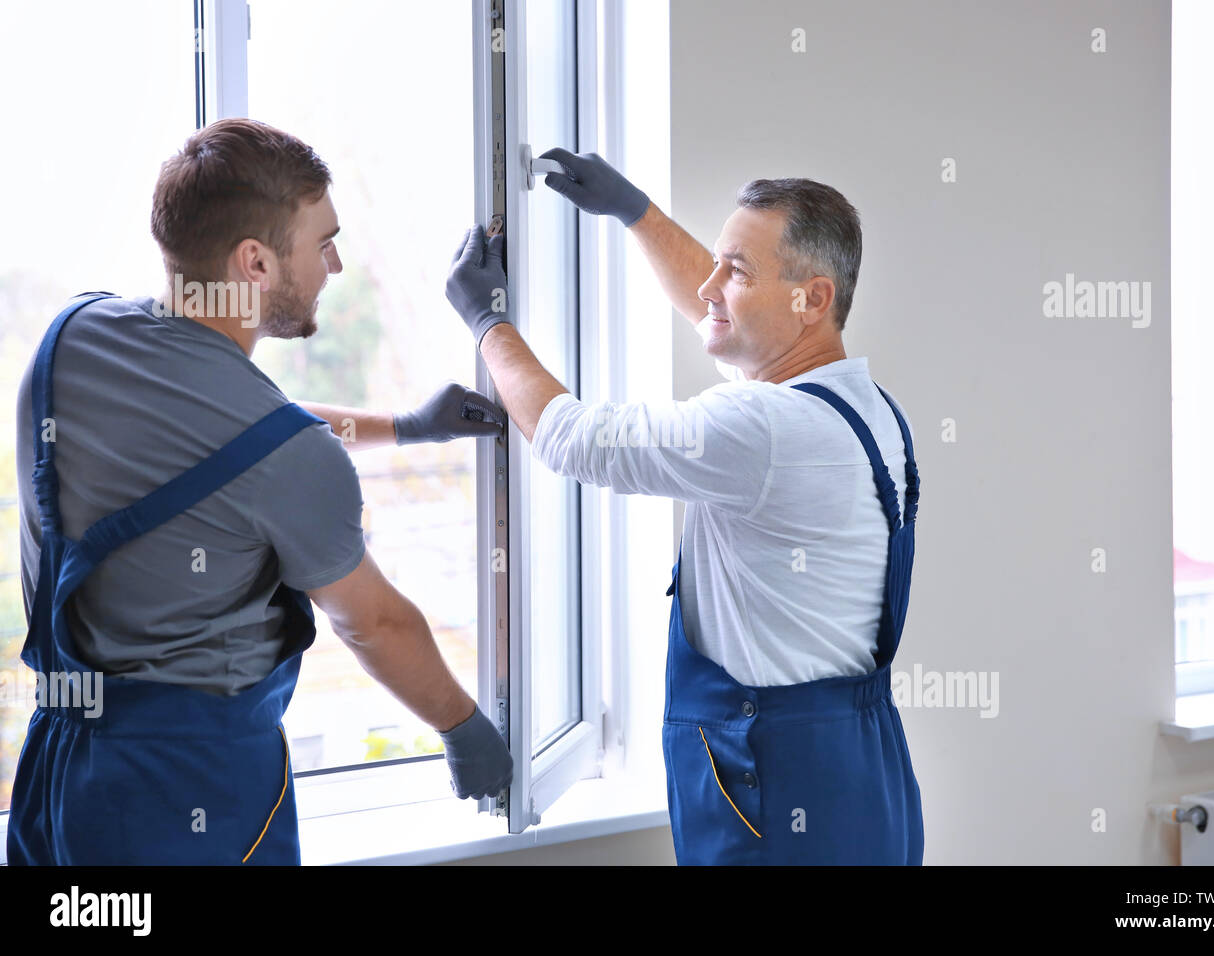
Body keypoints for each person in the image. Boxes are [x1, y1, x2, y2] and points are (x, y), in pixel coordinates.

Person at [6, 118, 513, 866]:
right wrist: (464, 727)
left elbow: (236, 434)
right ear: (255, 263)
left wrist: (403, 427)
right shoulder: (291, 459)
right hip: (189, 798)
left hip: (56, 781)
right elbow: (375, 624)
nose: (334, 265)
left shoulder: (72, 340)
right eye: (323, 242)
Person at [443, 148, 924, 865]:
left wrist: (487, 323)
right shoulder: (864, 408)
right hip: (862, 783)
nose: (709, 285)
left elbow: (574, 438)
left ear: (813, 298)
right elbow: (732, 325)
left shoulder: (763, 429)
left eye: (736, 269)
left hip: (779, 793)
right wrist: (634, 212)